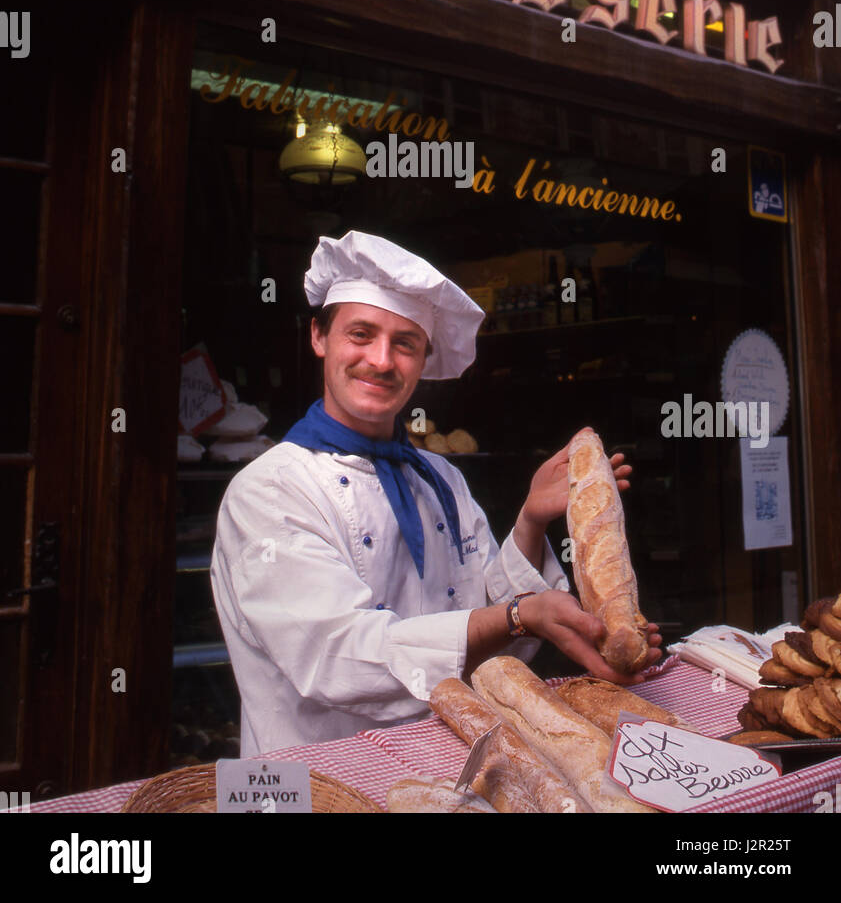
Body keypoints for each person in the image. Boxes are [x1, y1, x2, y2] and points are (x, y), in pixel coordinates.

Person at [211, 231, 661, 753]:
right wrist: (520, 616)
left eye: (404, 343)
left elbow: (487, 620)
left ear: (424, 358)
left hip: (454, 767)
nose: (381, 361)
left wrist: (531, 521)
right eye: (361, 334)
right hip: (321, 783)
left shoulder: (440, 477)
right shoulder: (269, 490)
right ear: (318, 336)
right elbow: (338, 656)